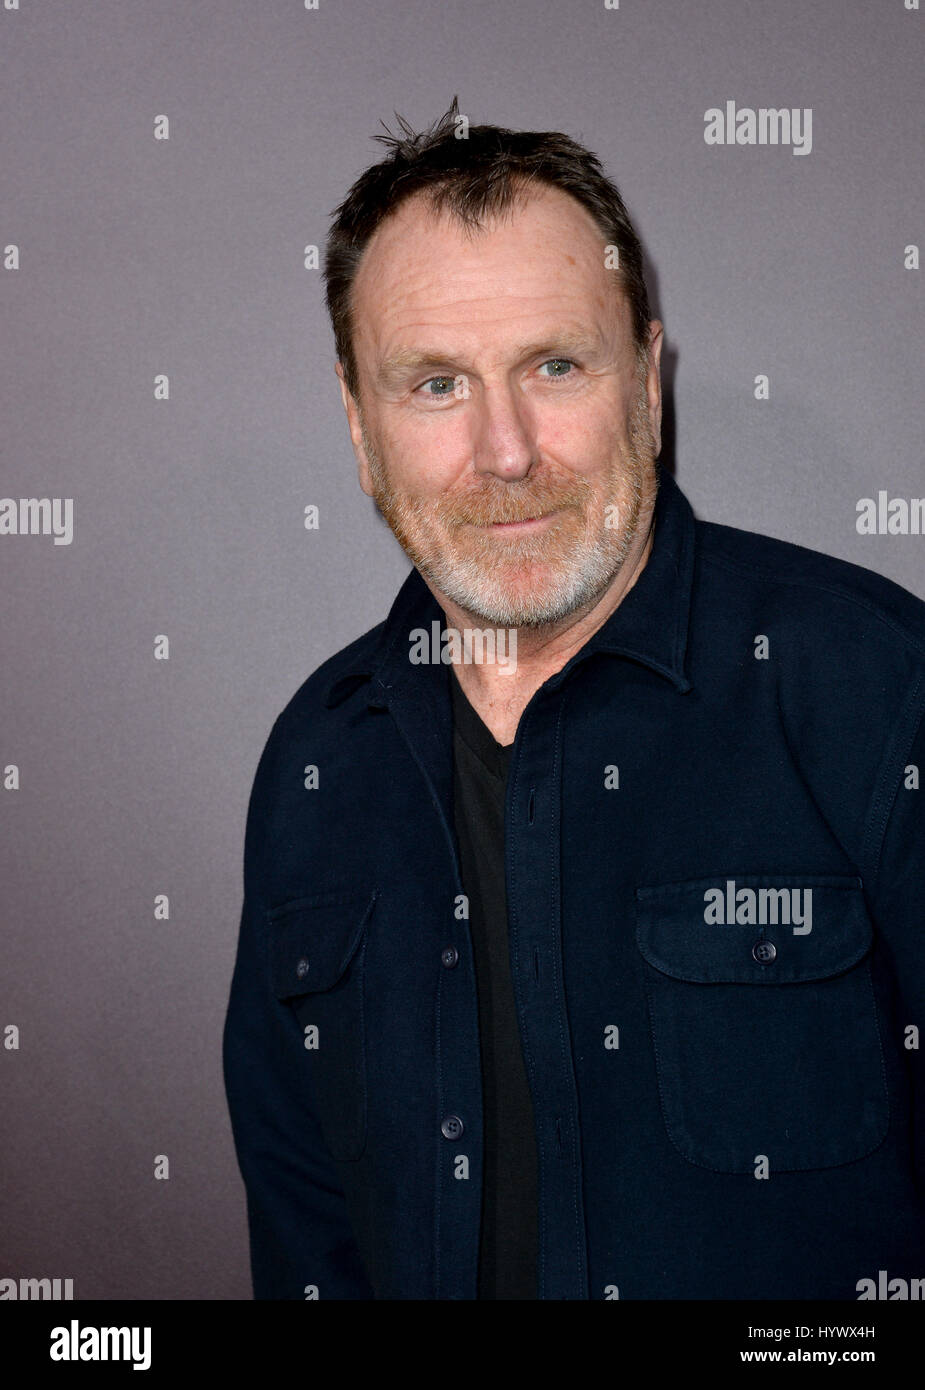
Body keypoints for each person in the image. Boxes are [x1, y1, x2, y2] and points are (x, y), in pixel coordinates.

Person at [222, 98, 925, 1300]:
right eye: (435, 384)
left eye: (555, 365)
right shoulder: (318, 760)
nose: (505, 450)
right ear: (359, 425)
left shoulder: (873, 688)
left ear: (646, 379)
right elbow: (306, 1237)